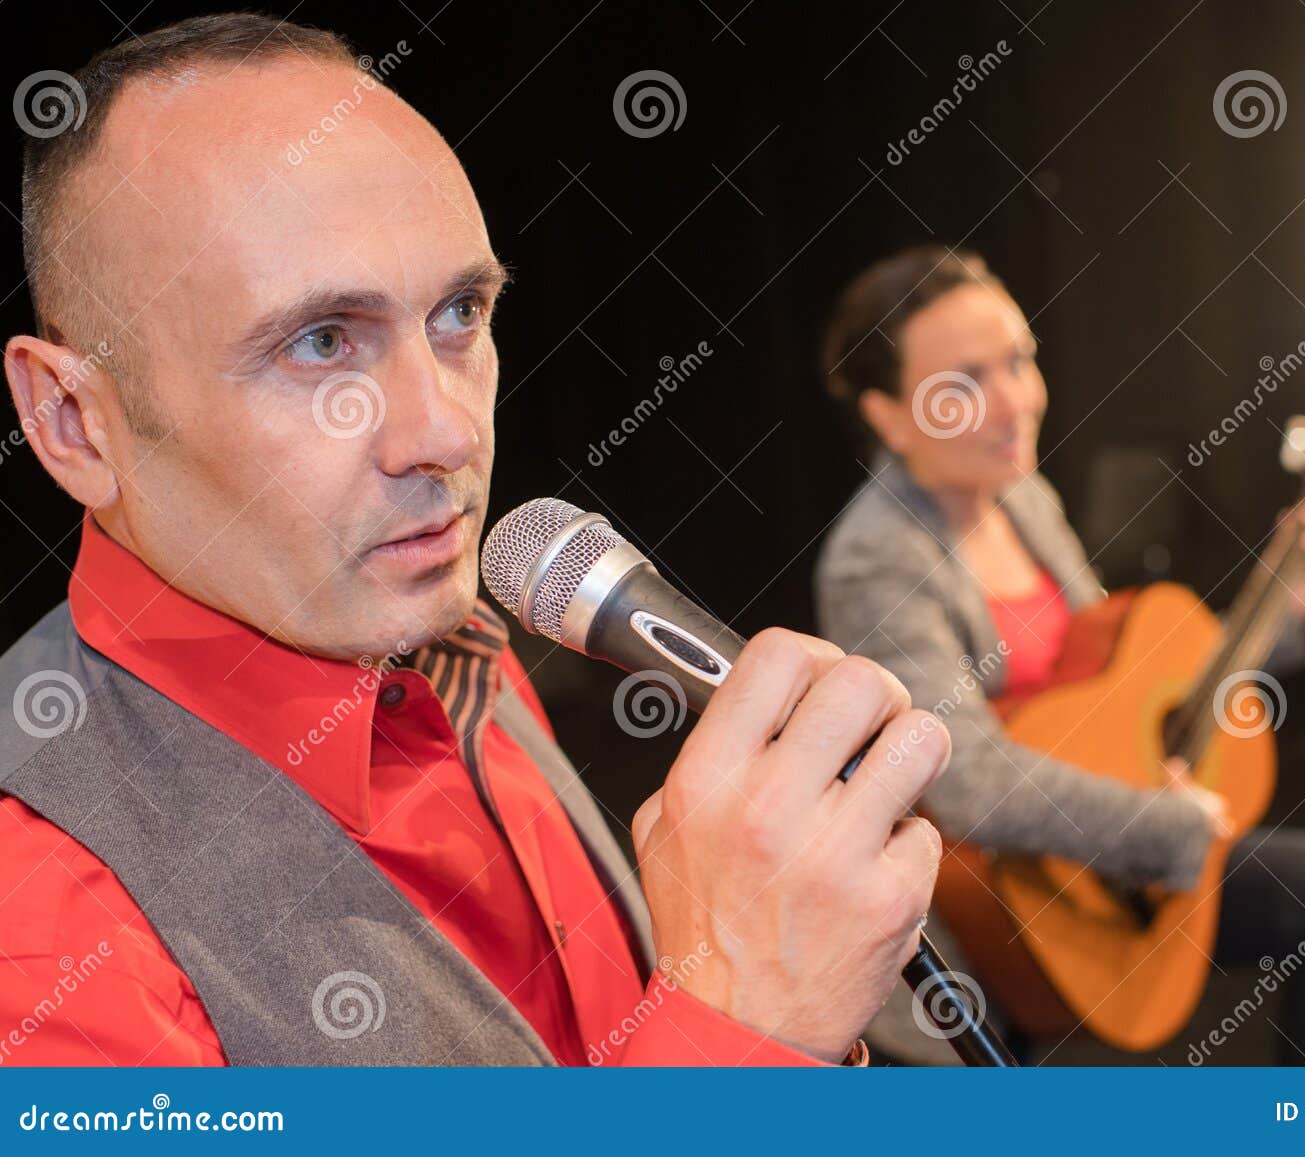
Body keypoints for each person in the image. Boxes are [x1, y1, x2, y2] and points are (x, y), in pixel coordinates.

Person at [0, 14, 951, 1068]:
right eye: (321, 343)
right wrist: (746, 1024)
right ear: (73, 422)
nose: (448, 432)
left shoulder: (455, 646)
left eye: (459, 312)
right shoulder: (37, 938)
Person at [814, 245, 1305, 1066]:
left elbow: (1126, 690)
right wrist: (1167, 827)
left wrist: (1285, 607)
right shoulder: (876, 557)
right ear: (889, 415)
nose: (1015, 400)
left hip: (1098, 868)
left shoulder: (1021, 495)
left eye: (1019, 360)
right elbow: (964, 781)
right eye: (966, 382)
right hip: (987, 926)